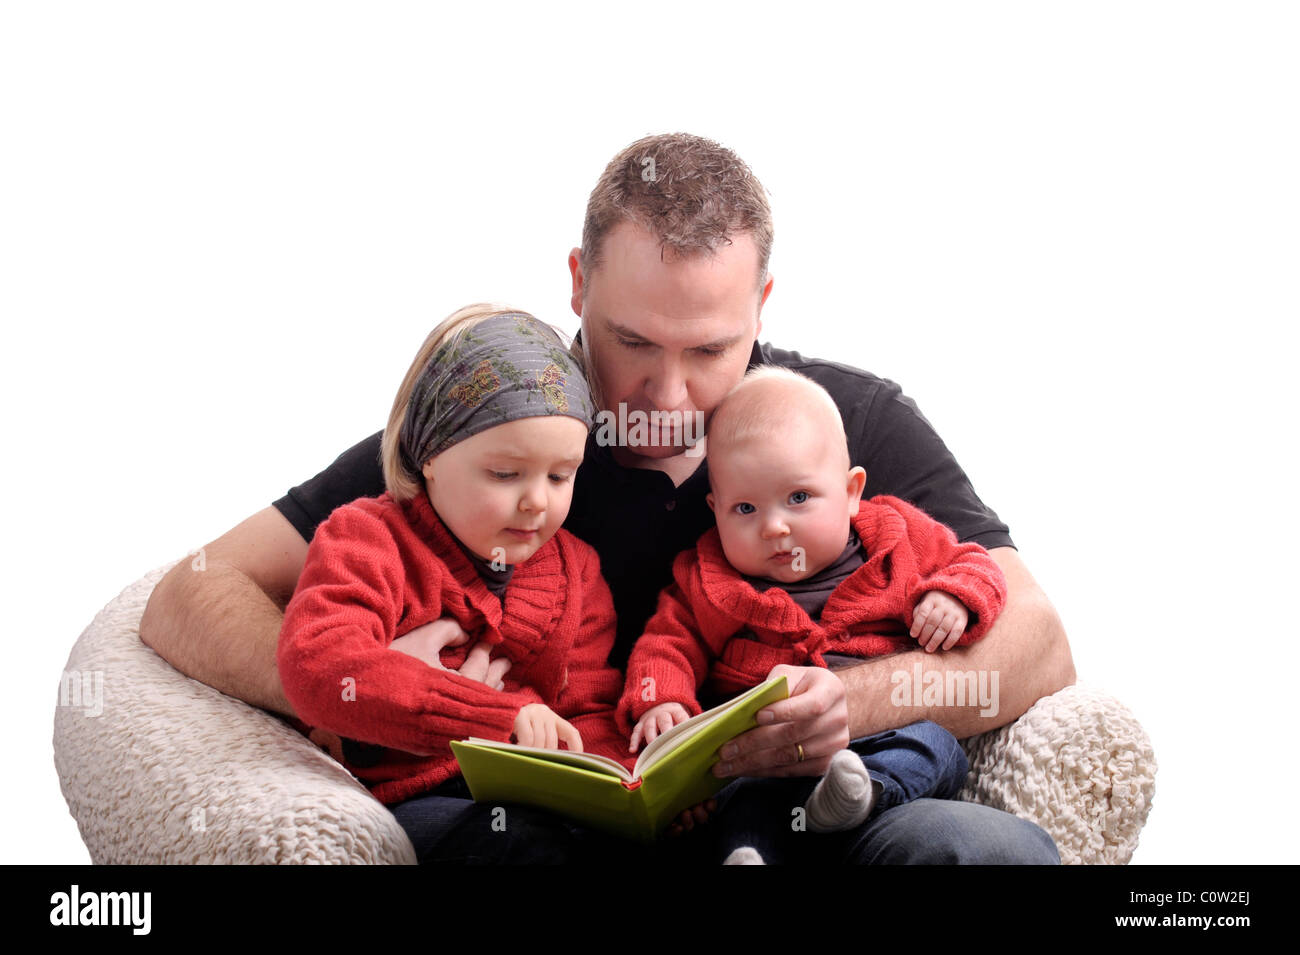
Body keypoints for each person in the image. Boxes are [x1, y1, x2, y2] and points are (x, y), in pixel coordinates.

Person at [140, 132, 1072, 864]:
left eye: (709, 350)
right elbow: (192, 590)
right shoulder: (507, 417)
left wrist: (845, 705)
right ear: (578, 285)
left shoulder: (844, 419)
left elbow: (1041, 644)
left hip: (827, 802)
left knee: (985, 849)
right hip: (561, 827)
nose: (667, 400)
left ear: (763, 304)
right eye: (632, 342)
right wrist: (366, 692)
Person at [276, 305, 633, 859]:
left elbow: (589, 703)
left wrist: (621, 782)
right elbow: (318, 665)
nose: (537, 500)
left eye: (561, 476)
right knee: (519, 846)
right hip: (422, 798)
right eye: (505, 474)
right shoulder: (369, 539)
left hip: (551, 800)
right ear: (432, 456)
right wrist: (491, 715)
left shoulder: (577, 570)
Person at [619, 367, 1010, 863]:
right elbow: (665, 644)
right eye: (745, 509)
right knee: (735, 799)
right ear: (714, 509)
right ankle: (748, 856)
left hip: (878, 740)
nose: (774, 527)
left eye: (798, 498)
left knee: (934, 745)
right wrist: (661, 702)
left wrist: (952, 595)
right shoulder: (709, 579)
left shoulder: (898, 538)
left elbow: (974, 561)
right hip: (767, 759)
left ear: (851, 492)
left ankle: (861, 795)